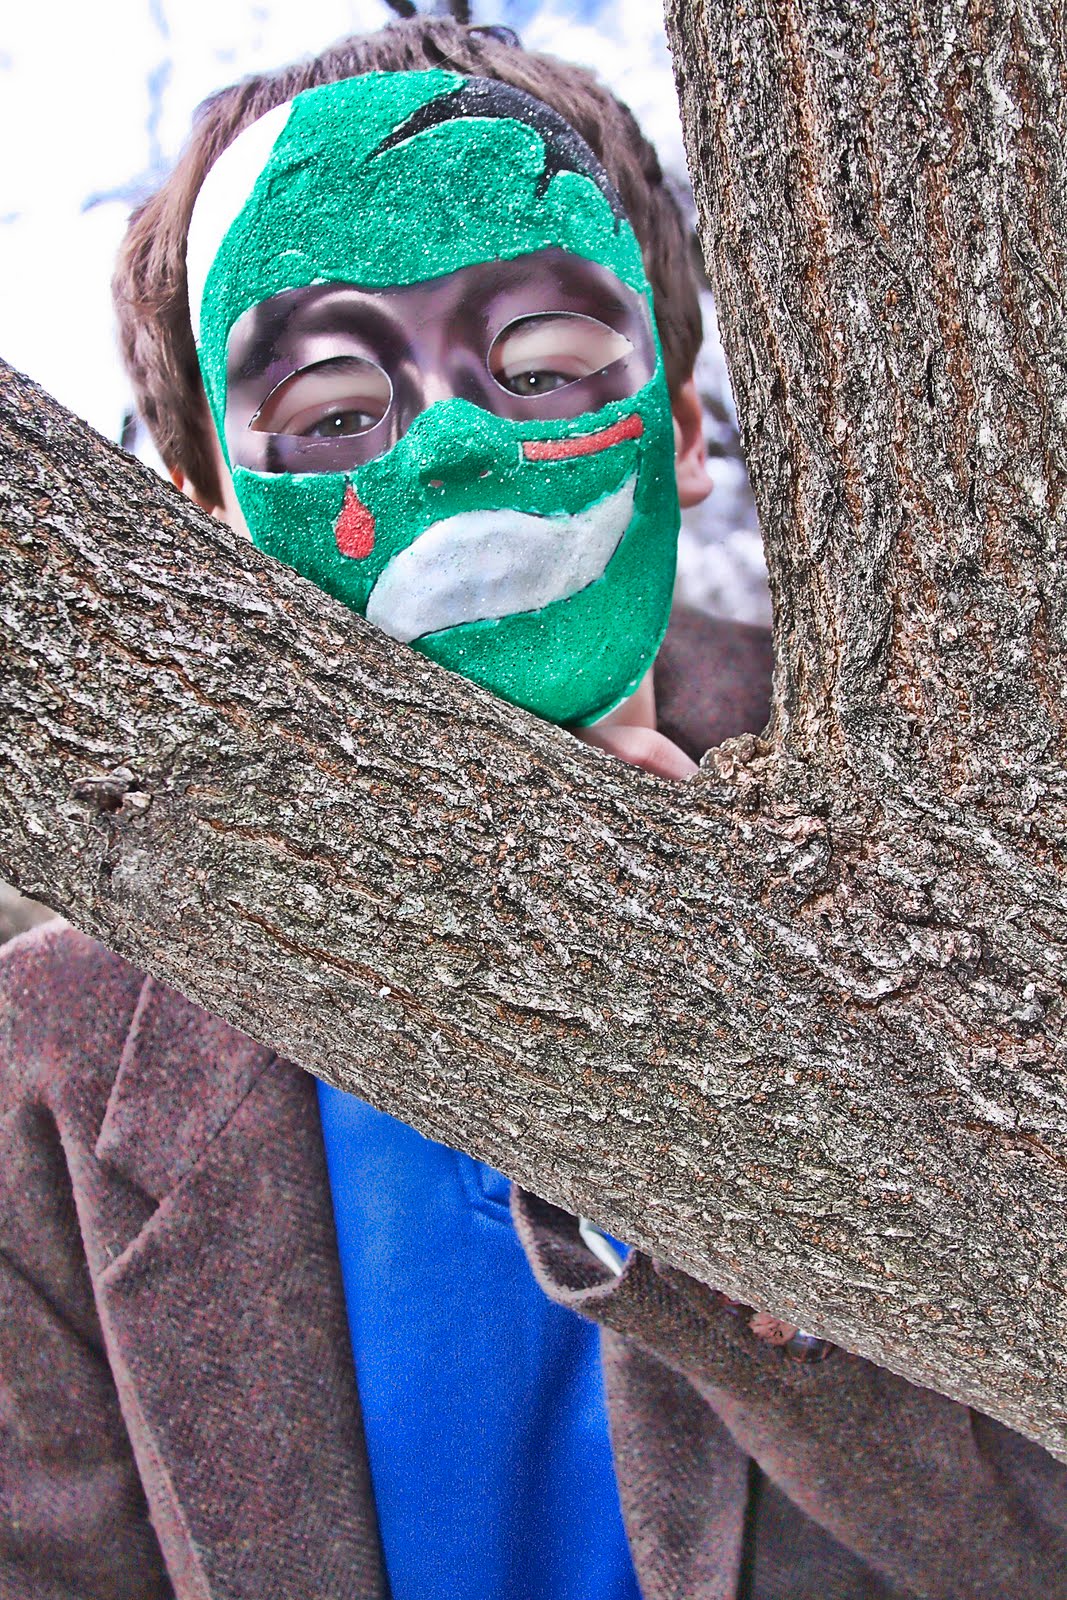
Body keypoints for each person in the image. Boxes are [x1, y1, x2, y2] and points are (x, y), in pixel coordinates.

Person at [1, 17, 1064, 1600]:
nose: (448, 441)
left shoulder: (1005, 879)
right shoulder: (48, 1067)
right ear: (199, 526)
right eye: (334, 406)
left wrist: (736, 1055)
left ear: (686, 431)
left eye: (549, 367)